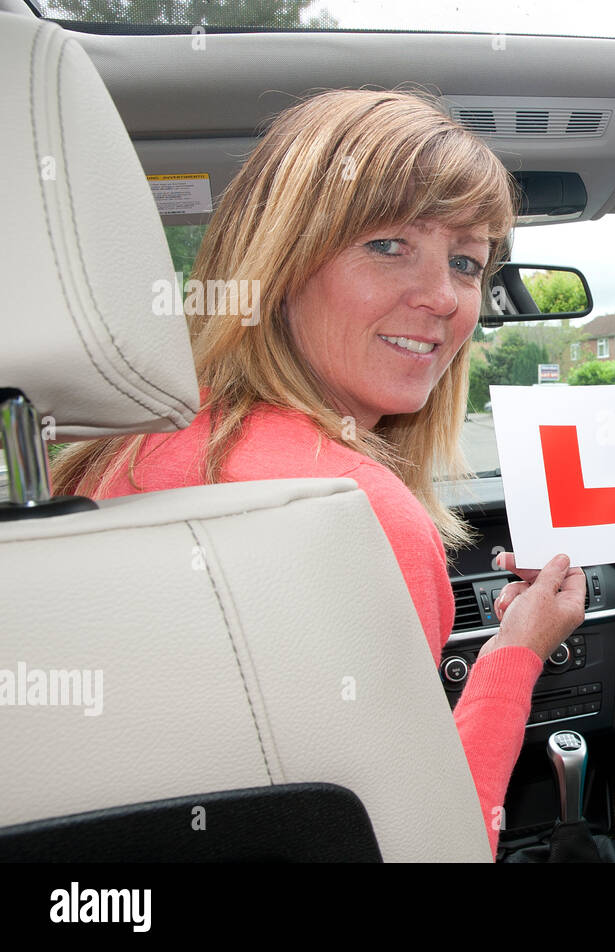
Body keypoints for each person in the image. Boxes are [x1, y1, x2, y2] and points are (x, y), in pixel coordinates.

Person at [50, 89, 586, 856]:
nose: (442, 297)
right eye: (388, 244)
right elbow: (434, 845)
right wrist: (517, 651)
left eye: (465, 261)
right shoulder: (348, 511)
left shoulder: (124, 450)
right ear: (281, 261)